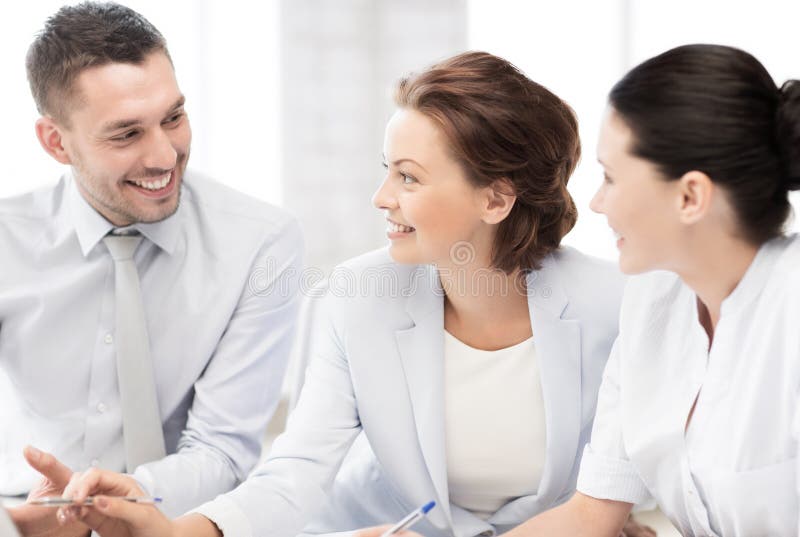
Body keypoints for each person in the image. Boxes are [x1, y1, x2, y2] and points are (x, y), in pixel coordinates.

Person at [37, 51, 657, 537]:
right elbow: (296, 470)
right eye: (385, 169)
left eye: (408, 177)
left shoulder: (615, 306)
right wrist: (179, 531)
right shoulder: (358, 298)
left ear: (495, 199)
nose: (381, 198)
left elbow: (610, 495)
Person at [367, 43, 800, 536]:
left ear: (690, 196)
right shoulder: (652, 303)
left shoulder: (790, 311)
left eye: (612, 178)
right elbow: (591, 514)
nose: (595, 203)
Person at [0, 2, 302, 535]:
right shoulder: (7, 240)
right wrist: (16, 523)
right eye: (126, 134)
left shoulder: (260, 243)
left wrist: (121, 501)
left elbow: (223, 449)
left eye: (173, 117)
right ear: (56, 142)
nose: (165, 156)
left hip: (177, 523)